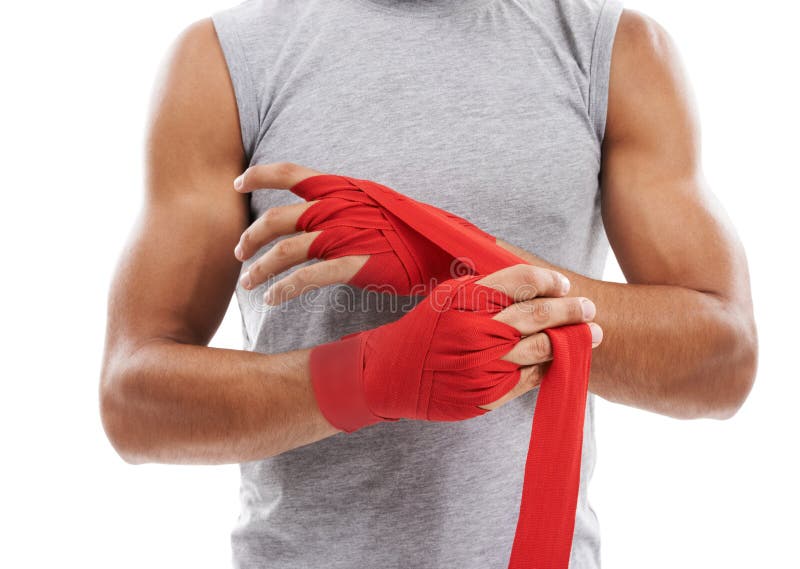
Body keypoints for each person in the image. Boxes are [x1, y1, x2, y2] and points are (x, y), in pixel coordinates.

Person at [99, 1, 758, 567]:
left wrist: (454, 256)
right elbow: (134, 400)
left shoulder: (610, 50)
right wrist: (370, 376)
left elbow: (721, 361)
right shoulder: (229, 59)